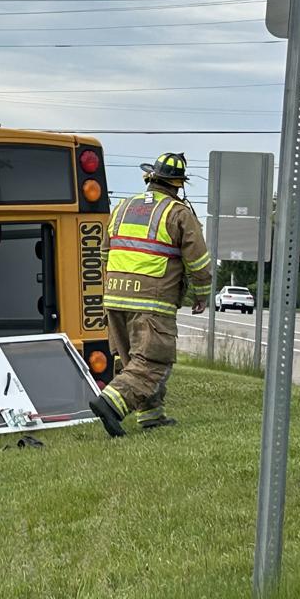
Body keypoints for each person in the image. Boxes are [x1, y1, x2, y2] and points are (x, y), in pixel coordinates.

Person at [89, 152, 212, 437]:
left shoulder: (122, 207)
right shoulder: (178, 213)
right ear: (178, 185)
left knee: (131, 359)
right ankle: (110, 404)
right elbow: (199, 261)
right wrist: (202, 294)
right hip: (152, 300)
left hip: (116, 297)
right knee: (153, 360)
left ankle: (152, 416)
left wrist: (111, 288)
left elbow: (105, 253)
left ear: (150, 178)